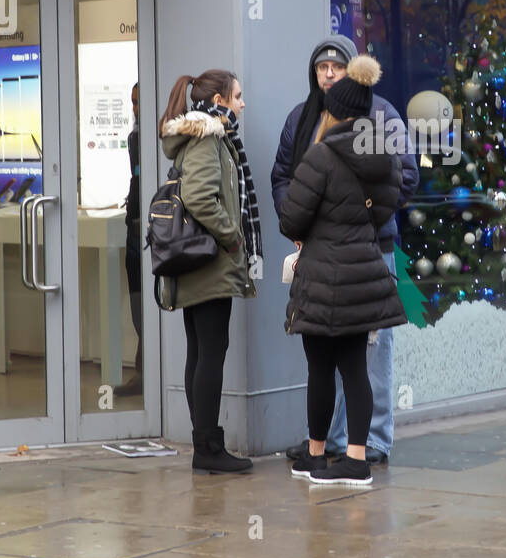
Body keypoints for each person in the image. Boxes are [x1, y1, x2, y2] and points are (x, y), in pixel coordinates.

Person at [272, 35, 417, 465]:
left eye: (337, 66)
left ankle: (372, 442)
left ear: (352, 71)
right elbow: (283, 175)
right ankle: (329, 442)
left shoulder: (382, 113)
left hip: (373, 250)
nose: (329, 73)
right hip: (315, 252)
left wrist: (360, 221)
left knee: (370, 352)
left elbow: (404, 176)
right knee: (326, 350)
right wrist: (301, 224)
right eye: (322, 67)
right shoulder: (301, 117)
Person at [159, 69, 263, 472]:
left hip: (201, 262)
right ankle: (207, 448)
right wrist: (234, 238)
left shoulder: (206, 136)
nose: (241, 103)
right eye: (237, 96)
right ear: (219, 101)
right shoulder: (209, 139)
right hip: (210, 261)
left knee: (202, 351)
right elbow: (201, 199)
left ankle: (205, 444)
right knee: (210, 352)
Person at [116, 83, 143, 397]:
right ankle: (142, 373)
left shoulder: (162, 139)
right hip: (133, 230)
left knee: (150, 306)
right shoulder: (134, 139)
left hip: (151, 231)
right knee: (137, 308)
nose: (135, 108)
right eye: (132, 102)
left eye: (140, 101)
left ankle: (149, 374)